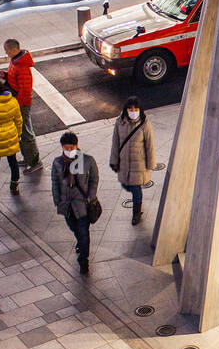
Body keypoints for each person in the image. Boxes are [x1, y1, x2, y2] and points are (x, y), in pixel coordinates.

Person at [51, 131, 98, 275]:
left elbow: (94, 179)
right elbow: (55, 182)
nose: (69, 151)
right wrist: (57, 200)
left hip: (82, 204)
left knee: (84, 232)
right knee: (73, 228)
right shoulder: (58, 162)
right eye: (66, 148)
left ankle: (84, 260)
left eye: (71, 148)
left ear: (76, 146)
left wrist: (90, 196)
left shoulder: (88, 160)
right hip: (66, 205)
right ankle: (80, 244)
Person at [108, 96, 155, 226]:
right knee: (126, 185)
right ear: (126, 110)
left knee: (135, 188)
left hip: (139, 163)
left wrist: (150, 164)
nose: (133, 111)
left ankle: (136, 213)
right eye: (130, 109)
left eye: (135, 109)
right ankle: (137, 203)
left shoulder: (145, 124)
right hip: (124, 163)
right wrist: (114, 160)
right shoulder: (120, 122)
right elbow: (115, 142)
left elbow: (149, 146)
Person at [0, 40, 41, 174]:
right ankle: (27, 158)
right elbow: (15, 80)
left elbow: (25, 89)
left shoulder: (21, 66)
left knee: (26, 132)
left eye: (6, 50)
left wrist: (16, 104)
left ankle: (34, 162)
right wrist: (6, 75)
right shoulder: (15, 61)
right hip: (18, 102)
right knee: (21, 132)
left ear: (13, 49)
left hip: (21, 104)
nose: (5, 52)